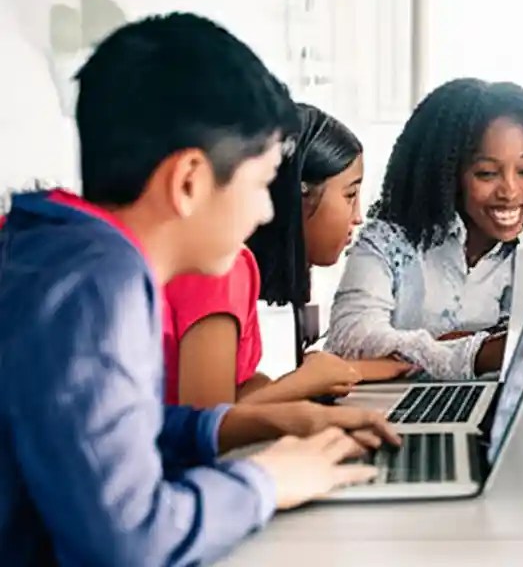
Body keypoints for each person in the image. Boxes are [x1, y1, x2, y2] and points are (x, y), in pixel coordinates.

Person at [0, 13, 395, 565]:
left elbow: (106, 434)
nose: (263, 213)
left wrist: (242, 424)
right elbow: (128, 542)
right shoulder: (101, 283)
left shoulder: (55, 247)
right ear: (189, 182)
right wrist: (264, 480)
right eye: (260, 185)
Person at [326, 78, 523, 380]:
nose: (510, 191)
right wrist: (478, 352)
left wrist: (443, 347)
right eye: (487, 173)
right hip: (381, 413)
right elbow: (350, 339)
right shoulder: (386, 242)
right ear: (446, 173)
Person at [164, 103, 412, 408]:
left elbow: (242, 390)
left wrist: (345, 371)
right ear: (300, 196)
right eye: (350, 195)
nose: (358, 216)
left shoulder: (238, 269)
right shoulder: (221, 268)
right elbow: (204, 424)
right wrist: (305, 382)